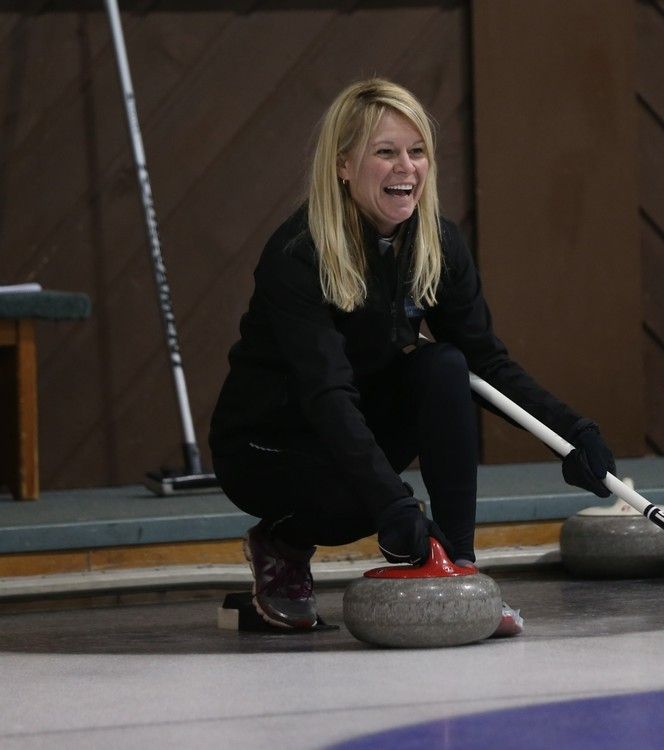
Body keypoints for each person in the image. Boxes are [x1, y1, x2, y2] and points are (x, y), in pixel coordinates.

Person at [209, 78, 616, 632]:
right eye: (385, 152)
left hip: (352, 426)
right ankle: (282, 540)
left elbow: (486, 365)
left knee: (445, 364)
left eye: (416, 151)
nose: (406, 167)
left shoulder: (438, 243)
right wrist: (396, 506)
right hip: (270, 445)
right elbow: (326, 393)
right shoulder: (297, 254)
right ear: (343, 166)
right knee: (360, 494)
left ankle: (461, 572)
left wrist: (571, 434)